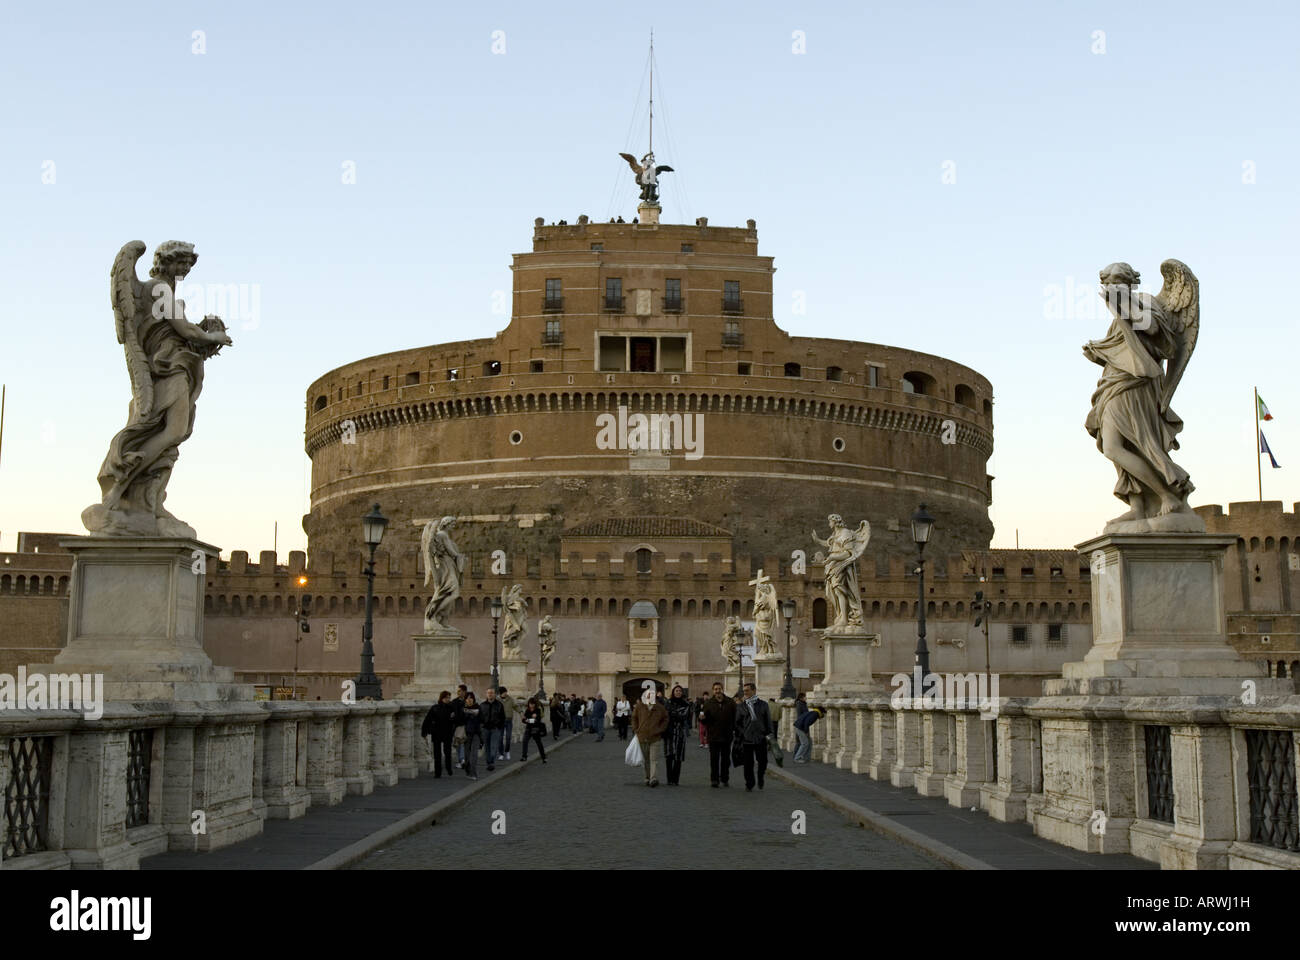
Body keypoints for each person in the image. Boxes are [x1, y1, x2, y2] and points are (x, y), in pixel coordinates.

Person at [734, 682, 774, 791]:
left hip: (760, 737)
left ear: (754, 691)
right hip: (746, 739)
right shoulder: (741, 706)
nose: (745, 692)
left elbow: (768, 721)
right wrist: (743, 732)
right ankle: (749, 783)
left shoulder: (763, 705)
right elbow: (737, 723)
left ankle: (760, 777)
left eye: (747, 690)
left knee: (763, 761)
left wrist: (770, 735)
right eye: (744, 690)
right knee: (748, 764)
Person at [700, 682, 737, 787]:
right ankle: (714, 779)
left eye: (719, 689)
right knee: (714, 759)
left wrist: (734, 730)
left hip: (727, 736)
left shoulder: (730, 702)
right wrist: (702, 719)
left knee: (725, 760)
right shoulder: (708, 703)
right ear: (713, 690)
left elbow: (735, 717)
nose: (718, 691)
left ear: (722, 689)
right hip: (713, 736)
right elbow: (703, 719)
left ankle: (725, 778)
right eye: (716, 689)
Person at [630, 684, 668, 787]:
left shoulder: (660, 707)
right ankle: (647, 777)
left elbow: (665, 718)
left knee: (653, 759)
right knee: (646, 759)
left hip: (655, 736)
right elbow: (634, 718)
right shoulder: (639, 706)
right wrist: (635, 728)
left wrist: (660, 729)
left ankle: (653, 778)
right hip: (642, 736)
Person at [420, 690, 456, 778]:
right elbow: (427, 720)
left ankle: (448, 768)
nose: (448, 699)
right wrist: (424, 731)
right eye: (446, 697)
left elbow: (456, 720)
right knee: (437, 754)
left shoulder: (452, 708)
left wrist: (453, 718)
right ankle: (438, 772)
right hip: (437, 733)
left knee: (447, 752)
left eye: (449, 697)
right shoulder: (435, 708)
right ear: (442, 698)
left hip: (447, 733)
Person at [663, 684, 692, 786]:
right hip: (669, 732)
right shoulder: (668, 703)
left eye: (680, 691)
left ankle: (676, 779)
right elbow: (665, 716)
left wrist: (673, 713)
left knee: (678, 757)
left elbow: (683, 716)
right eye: (676, 691)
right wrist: (674, 714)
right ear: (673, 692)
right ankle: (669, 779)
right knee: (669, 756)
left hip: (680, 733)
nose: (678, 692)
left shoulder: (686, 704)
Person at [480, 686, 506, 772]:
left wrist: (499, 726)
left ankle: (492, 762)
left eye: (492, 693)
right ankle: (489, 763)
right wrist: (482, 726)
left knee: (494, 746)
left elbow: (503, 717)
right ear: (486, 694)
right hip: (485, 729)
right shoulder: (482, 705)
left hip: (495, 729)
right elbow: (480, 717)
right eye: (488, 693)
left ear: (495, 694)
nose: (490, 694)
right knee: (487, 747)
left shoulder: (499, 705)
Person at [461, 693, 483, 780]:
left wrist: (475, 715)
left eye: (471, 698)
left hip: (476, 734)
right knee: (467, 756)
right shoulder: (462, 709)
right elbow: (459, 720)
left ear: (473, 699)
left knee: (474, 755)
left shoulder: (478, 708)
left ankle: (474, 773)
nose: (469, 700)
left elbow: (482, 719)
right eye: (467, 698)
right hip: (466, 734)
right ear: (465, 700)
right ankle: (468, 771)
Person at [520, 697, 548, 763]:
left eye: (532, 704)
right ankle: (524, 756)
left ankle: (543, 757)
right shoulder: (527, 710)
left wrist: (528, 720)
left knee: (539, 743)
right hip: (528, 728)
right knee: (524, 741)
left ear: (535, 704)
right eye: (530, 704)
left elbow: (537, 720)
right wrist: (527, 720)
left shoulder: (538, 710)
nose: (531, 705)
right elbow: (524, 720)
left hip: (535, 729)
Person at [450, 684, 469, 767]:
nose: (458, 692)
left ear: (464, 692)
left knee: (462, 742)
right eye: (457, 691)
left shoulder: (468, 701)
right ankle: (461, 760)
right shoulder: (454, 702)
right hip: (458, 725)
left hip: (467, 725)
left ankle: (462, 759)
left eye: (459, 691)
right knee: (459, 742)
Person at [498, 686, 517, 761]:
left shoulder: (510, 699)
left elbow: (515, 706)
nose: (505, 694)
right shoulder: (497, 700)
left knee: (508, 737)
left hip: (509, 721)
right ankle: (501, 754)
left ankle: (507, 751)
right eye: (503, 693)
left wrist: (521, 712)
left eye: (506, 692)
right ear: (500, 694)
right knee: (500, 738)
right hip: (500, 721)